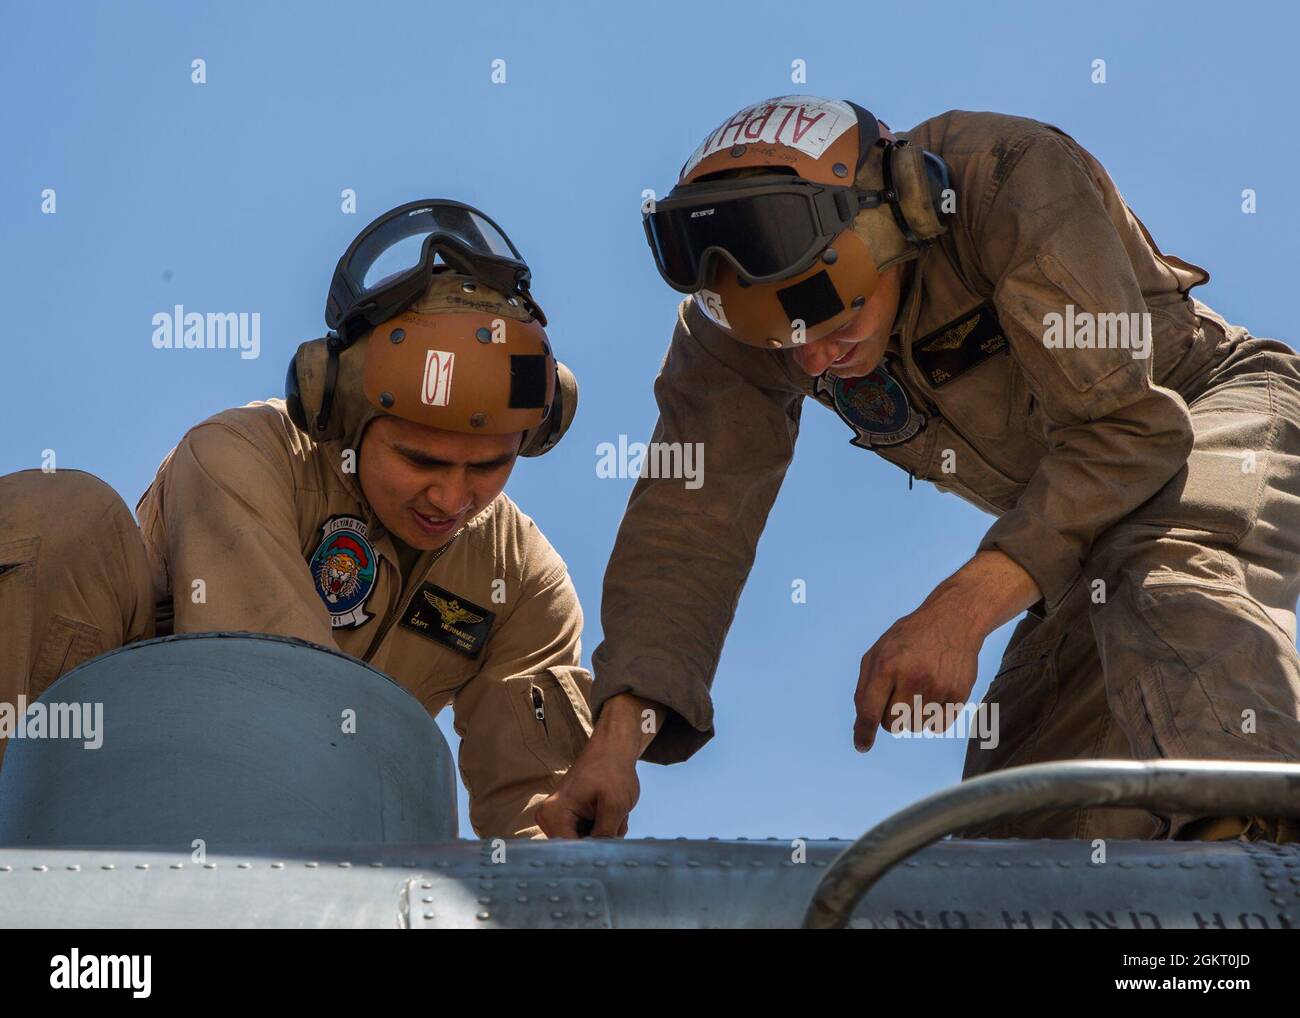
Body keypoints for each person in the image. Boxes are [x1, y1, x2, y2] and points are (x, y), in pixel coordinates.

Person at [538, 96, 1300, 842]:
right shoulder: (737, 326)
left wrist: (960, 612)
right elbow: (688, 529)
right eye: (786, 347)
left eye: (839, 326)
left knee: (1161, 566)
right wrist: (617, 735)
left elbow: (1124, 431)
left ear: (900, 227)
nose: (812, 360)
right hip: (1076, 519)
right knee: (1025, 800)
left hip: (1208, 407)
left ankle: (1264, 842)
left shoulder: (1006, 179)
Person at [0, 199, 591, 839]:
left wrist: (560, 829)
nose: (451, 499)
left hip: (344, 870)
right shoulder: (243, 456)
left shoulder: (523, 581)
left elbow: (535, 828)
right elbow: (270, 708)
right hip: (125, 809)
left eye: (488, 467)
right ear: (338, 409)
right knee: (59, 512)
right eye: (420, 459)